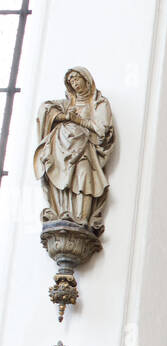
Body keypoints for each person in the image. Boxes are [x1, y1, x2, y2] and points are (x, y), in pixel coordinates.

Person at [33, 67, 115, 227]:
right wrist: (64, 116)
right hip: (62, 149)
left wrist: (79, 121)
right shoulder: (67, 103)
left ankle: (82, 218)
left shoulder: (98, 103)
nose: (75, 83)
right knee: (62, 180)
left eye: (77, 79)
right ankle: (62, 212)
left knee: (84, 179)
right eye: (71, 81)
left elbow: (102, 130)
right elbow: (45, 109)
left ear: (86, 79)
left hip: (84, 149)